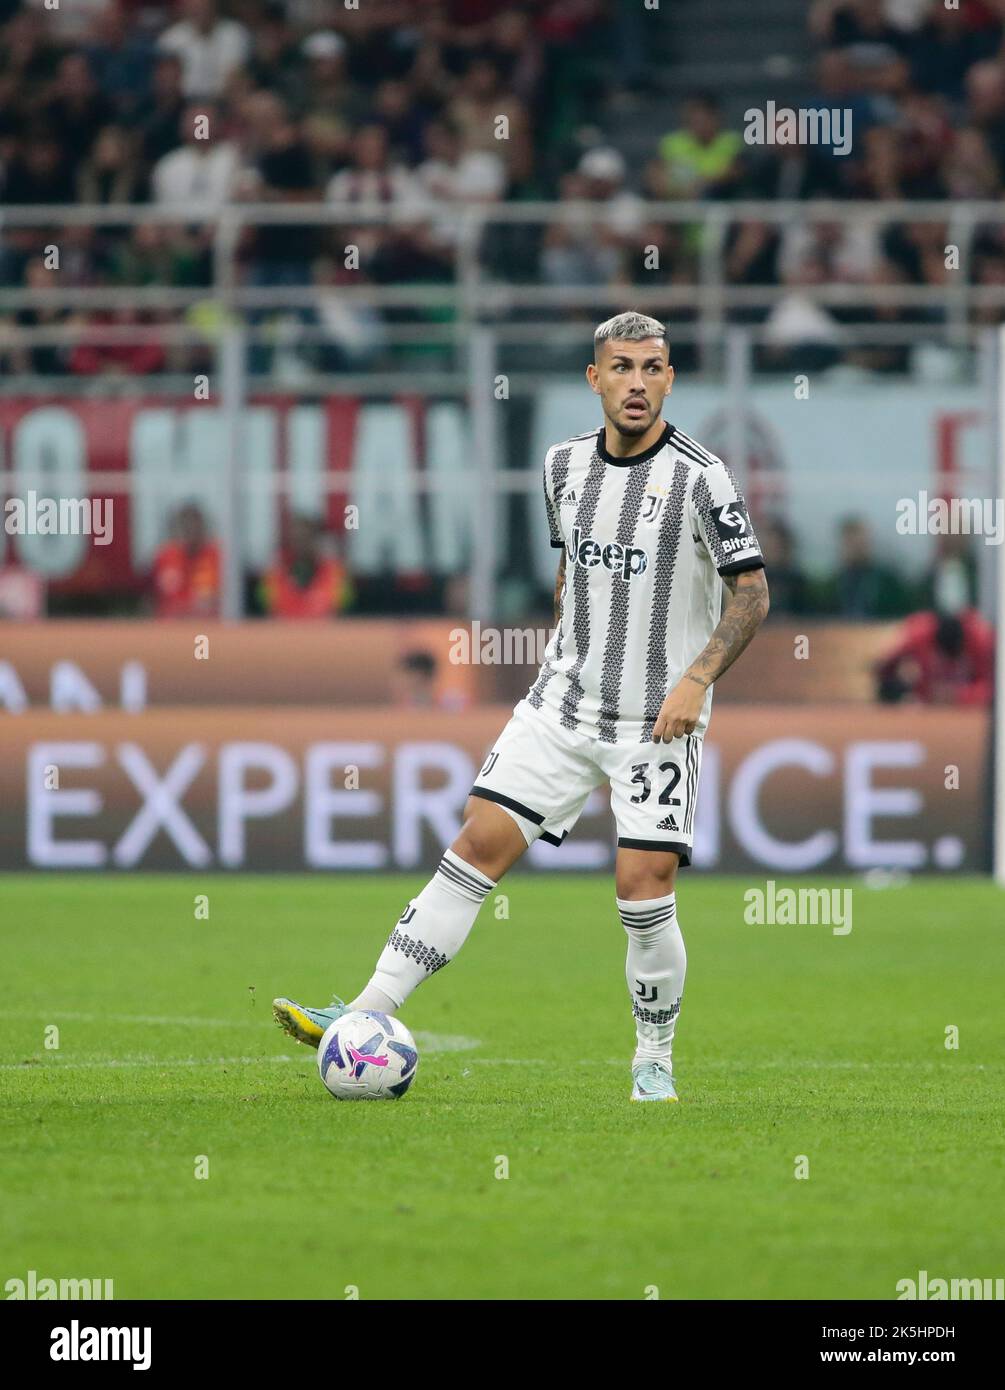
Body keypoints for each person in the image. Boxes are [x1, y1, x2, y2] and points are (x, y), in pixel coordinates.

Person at [274, 312, 771, 1103]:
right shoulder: (562, 466)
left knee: (641, 888)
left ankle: (653, 1056)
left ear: (669, 379)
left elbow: (751, 592)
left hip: (657, 720)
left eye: (652, 368)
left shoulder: (701, 477)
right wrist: (566, 652)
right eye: (621, 367)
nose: (636, 382)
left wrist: (696, 679)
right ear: (594, 378)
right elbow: (571, 573)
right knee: (478, 839)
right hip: (563, 705)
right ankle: (362, 1014)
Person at [259, 514, 352, 619]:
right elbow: (268, 616)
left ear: (316, 541)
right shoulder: (273, 574)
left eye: (305, 538)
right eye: (296, 539)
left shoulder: (335, 573)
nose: (300, 545)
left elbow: (342, 617)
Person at [151, 502, 220, 617]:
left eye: (194, 527)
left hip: (207, 626)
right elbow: (163, 600)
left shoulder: (214, 556)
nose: (190, 533)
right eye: (185, 527)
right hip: (171, 626)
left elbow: (210, 601)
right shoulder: (166, 557)